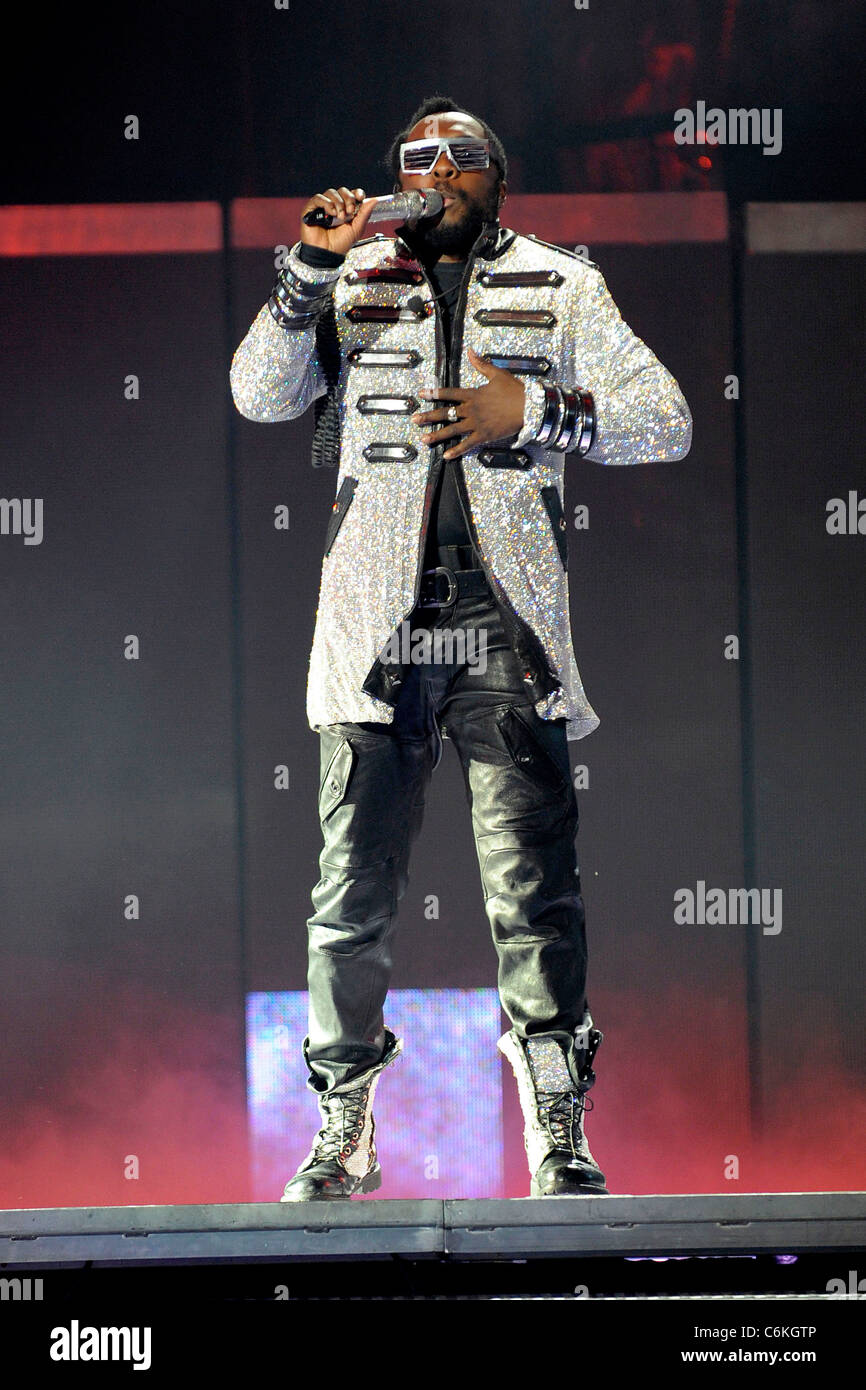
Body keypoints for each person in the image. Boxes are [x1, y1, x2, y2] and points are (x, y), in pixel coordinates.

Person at [230, 95, 692, 1201]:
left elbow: (662, 417)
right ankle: (342, 1133)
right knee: (351, 889)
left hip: (503, 622)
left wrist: (525, 406)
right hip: (372, 625)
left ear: (497, 175)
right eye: (412, 156)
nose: (432, 170)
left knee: (531, 886)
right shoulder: (351, 276)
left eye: (457, 156)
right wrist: (304, 265)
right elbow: (256, 393)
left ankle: (555, 1130)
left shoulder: (561, 280)